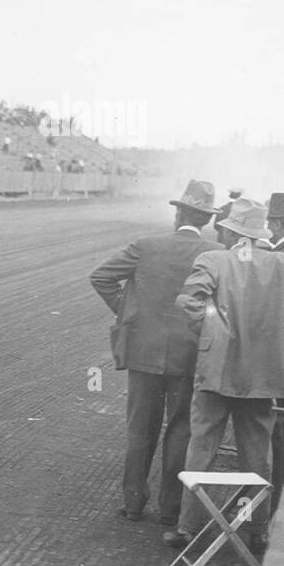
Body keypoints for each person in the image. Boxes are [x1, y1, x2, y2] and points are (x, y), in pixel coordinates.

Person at [90, 180, 223, 526]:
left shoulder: (146, 246)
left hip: (144, 353)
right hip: (190, 355)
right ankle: (170, 509)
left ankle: (133, 504)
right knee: (181, 431)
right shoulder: (215, 251)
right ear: (207, 219)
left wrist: (127, 313)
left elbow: (101, 277)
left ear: (178, 213)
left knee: (140, 429)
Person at [169, 197, 284, 553]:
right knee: (258, 455)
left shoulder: (214, 260)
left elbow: (189, 302)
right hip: (264, 376)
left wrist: (215, 332)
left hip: (215, 372)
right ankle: (258, 530)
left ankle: (187, 527)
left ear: (230, 231)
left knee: (202, 447)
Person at [255, 191, 284, 548]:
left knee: (280, 441)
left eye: (270, 221)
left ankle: (274, 522)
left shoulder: (280, 259)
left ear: (279, 224)